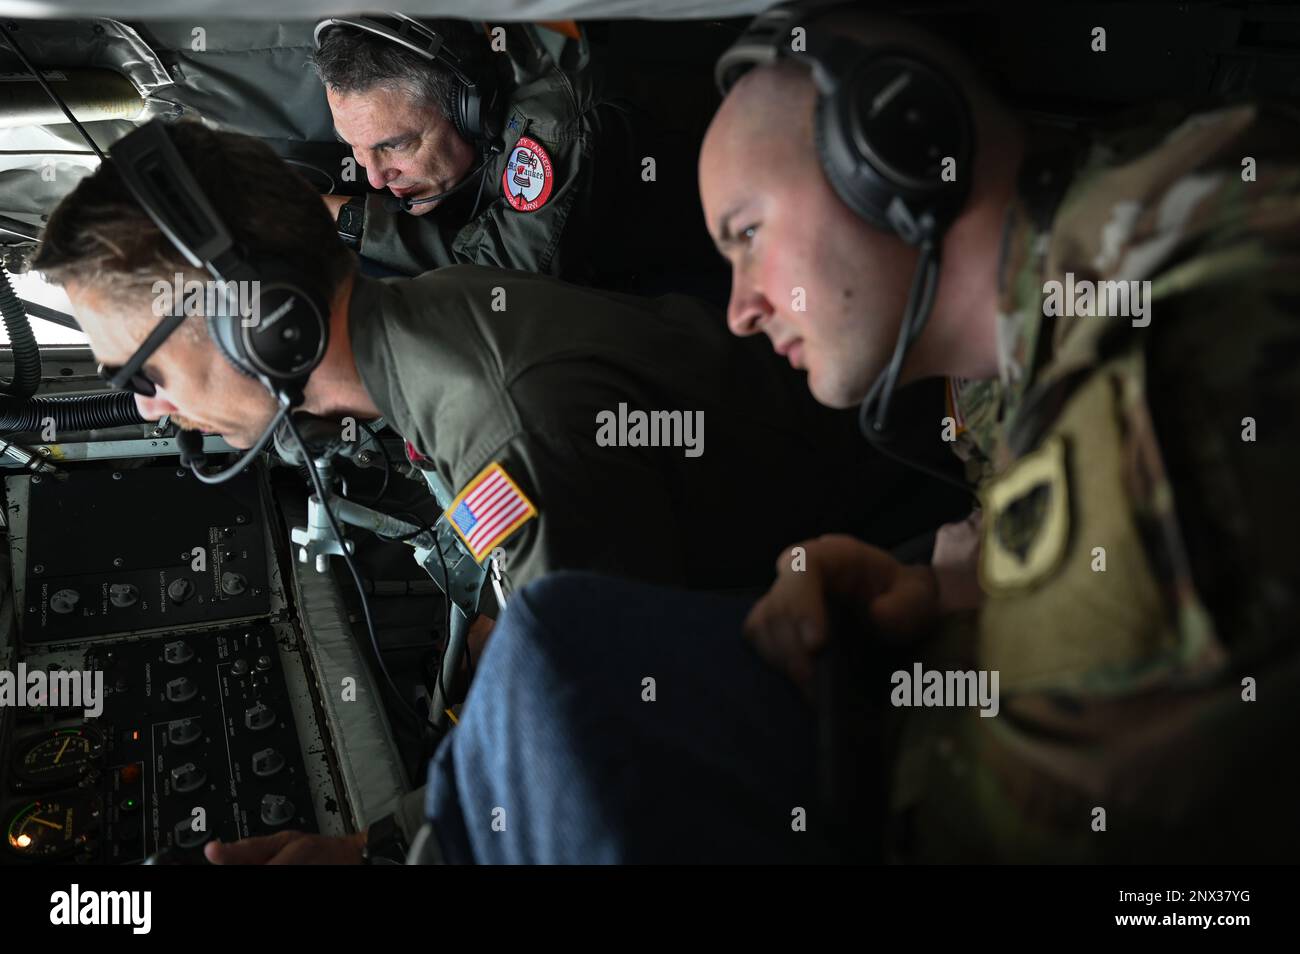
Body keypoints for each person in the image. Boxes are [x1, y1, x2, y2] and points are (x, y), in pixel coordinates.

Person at [207, 1, 1300, 865]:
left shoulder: (1173, 342)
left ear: (898, 153)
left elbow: (1036, 828)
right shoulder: (1026, 351)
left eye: (747, 236)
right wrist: (931, 596)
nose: (735, 309)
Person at [313, 15, 690, 292]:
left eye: (394, 145)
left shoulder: (555, 128)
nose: (375, 176)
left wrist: (345, 216)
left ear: (469, 111)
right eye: (354, 148)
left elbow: (500, 278)